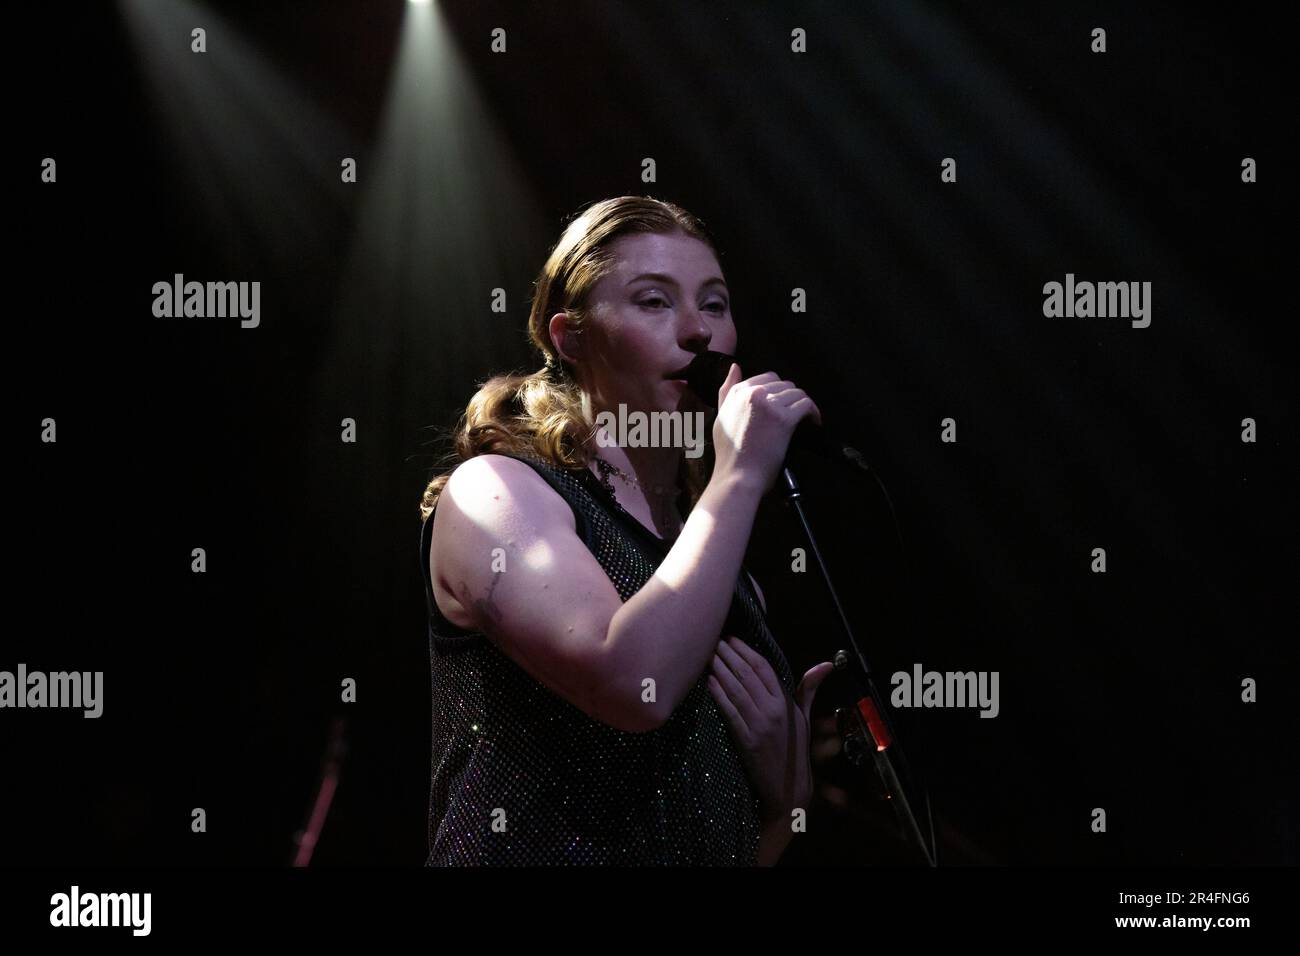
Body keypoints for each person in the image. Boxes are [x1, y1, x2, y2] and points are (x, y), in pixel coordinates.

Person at [417, 196, 833, 865]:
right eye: (653, 301)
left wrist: (788, 808)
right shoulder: (495, 493)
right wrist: (741, 476)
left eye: (716, 304)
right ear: (570, 337)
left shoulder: (726, 577)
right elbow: (629, 682)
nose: (699, 331)